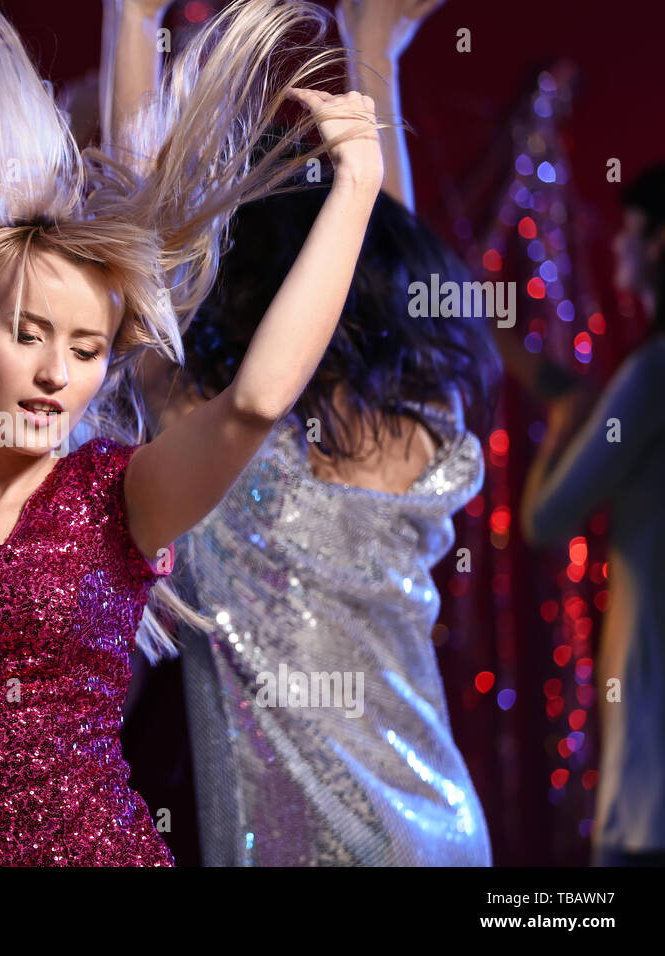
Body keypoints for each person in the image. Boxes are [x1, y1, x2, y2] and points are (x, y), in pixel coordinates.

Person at [0, 0, 382, 865]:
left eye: (87, 348)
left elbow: (252, 403)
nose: (58, 374)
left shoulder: (114, 502)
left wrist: (353, 189)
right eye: (28, 335)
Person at [108, 0, 497, 865]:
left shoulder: (216, 445)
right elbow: (390, 277)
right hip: (447, 833)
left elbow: (143, 245)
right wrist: (371, 49)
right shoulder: (420, 427)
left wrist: (131, 17)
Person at [521, 161, 665, 867]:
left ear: (659, 241)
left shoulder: (652, 374)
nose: (615, 250)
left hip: (652, 773)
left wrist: (563, 417)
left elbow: (547, 518)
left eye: (628, 234)